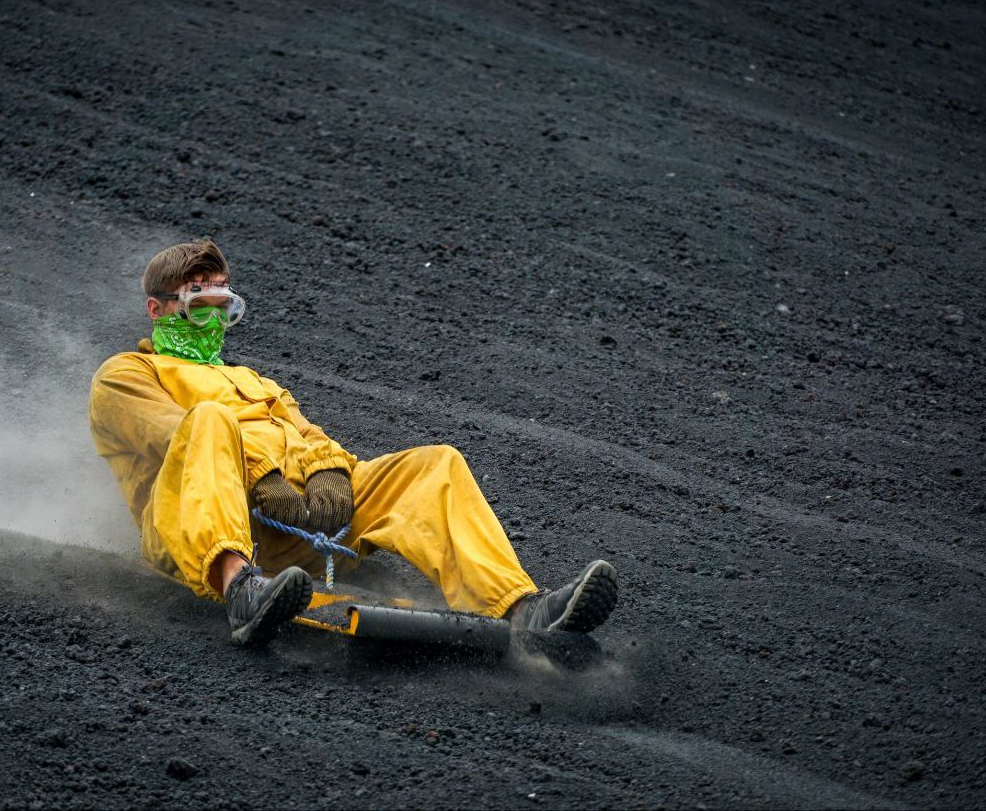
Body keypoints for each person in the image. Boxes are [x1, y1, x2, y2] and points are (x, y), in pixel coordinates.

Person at [88, 238, 619, 646]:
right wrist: (263, 476)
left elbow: (313, 438)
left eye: (222, 299)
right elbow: (178, 438)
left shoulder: (257, 382)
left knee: (433, 465)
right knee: (207, 418)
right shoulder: (126, 374)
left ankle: (521, 607)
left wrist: (327, 475)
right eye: (197, 297)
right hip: (194, 532)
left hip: (291, 526)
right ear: (158, 310)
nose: (214, 314)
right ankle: (240, 590)